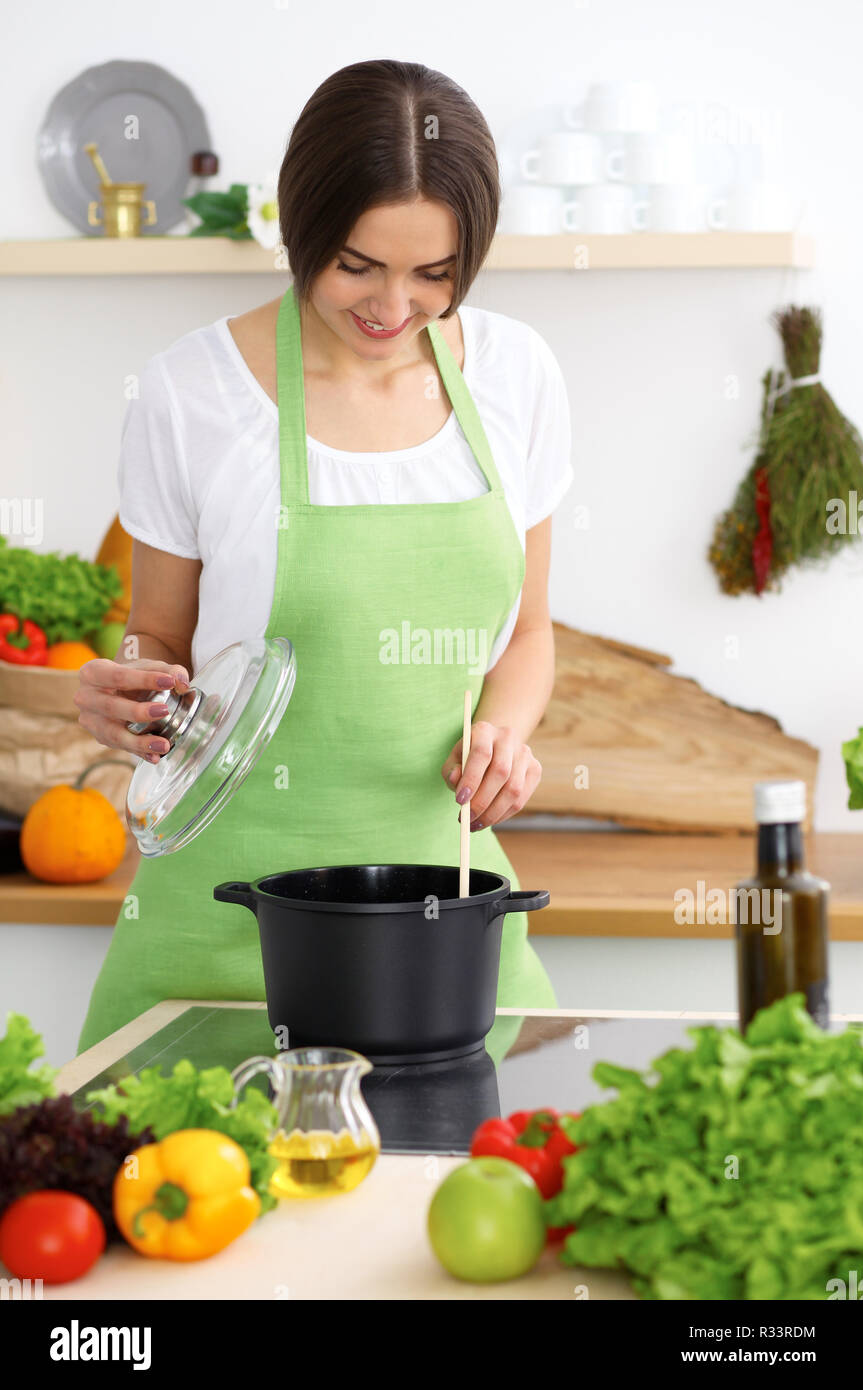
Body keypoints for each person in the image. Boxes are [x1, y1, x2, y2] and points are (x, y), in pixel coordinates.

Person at [75, 58, 574, 1053]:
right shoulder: (190, 393)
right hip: (225, 934)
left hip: (433, 930)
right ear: (300, 226)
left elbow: (526, 633)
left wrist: (507, 736)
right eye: (357, 264)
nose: (393, 305)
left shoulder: (516, 375)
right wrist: (128, 691)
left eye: (434, 275)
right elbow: (160, 635)